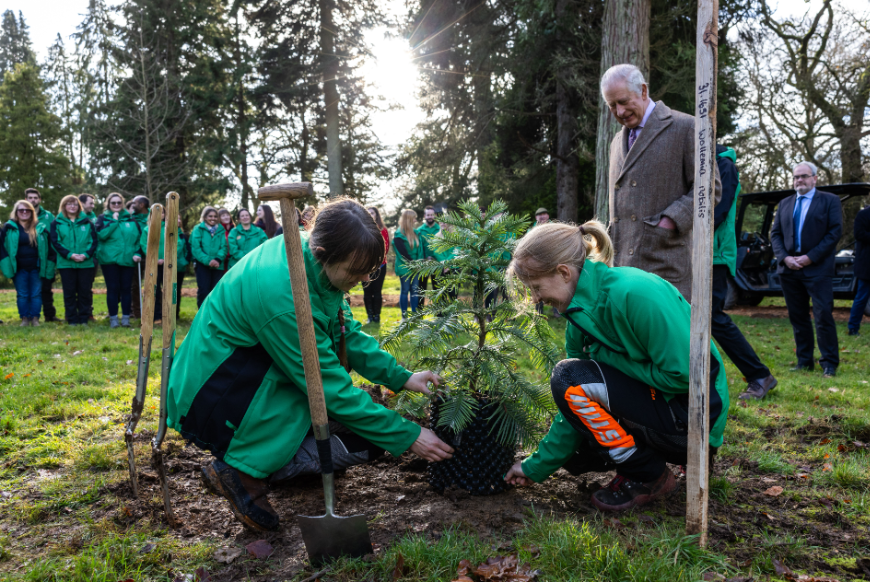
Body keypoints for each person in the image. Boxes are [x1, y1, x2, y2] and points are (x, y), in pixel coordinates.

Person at [167, 197, 454, 531]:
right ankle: (244, 469)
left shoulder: (312, 260)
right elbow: (327, 389)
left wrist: (402, 377)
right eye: (355, 272)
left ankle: (283, 460)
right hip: (219, 395)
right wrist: (409, 435)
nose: (362, 281)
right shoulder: (286, 295)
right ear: (324, 254)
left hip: (254, 378)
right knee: (373, 436)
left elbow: (346, 332)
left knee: (368, 431)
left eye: (370, 272)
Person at [503, 221, 729, 512]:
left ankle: (649, 476)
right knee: (574, 450)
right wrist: (536, 466)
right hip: (660, 408)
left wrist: (606, 360)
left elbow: (683, 376)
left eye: (536, 287)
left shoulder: (635, 294)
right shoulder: (578, 316)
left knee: (569, 376)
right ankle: (643, 462)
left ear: (563, 272)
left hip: (694, 420)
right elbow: (574, 398)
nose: (535, 299)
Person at [601, 64, 721, 302]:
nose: (620, 111)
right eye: (612, 105)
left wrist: (669, 222)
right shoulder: (616, 141)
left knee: (666, 338)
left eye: (624, 101)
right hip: (623, 269)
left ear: (644, 91)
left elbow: (709, 189)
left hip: (666, 265)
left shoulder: (687, 127)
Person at [712, 146, 778, 400]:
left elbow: (717, 210)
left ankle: (759, 375)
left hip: (714, 253)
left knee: (711, 317)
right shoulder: (696, 160)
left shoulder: (723, 165)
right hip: (693, 252)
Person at [770, 161, 843, 377]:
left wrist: (810, 258)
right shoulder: (784, 203)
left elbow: (834, 232)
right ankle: (804, 361)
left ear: (815, 178)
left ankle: (829, 363)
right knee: (798, 317)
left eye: (803, 176)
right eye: (795, 177)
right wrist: (784, 258)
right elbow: (775, 235)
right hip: (790, 270)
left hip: (818, 269)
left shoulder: (830, 201)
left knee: (823, 316)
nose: (799, 180)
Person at [1, 200, 55, 326]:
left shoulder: (40, 228)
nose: (24, 212)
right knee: (22, 295)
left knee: (36, 294)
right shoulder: (8, 228)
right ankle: (25, 318)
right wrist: (6, 266)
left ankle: (35, 318)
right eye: (21, 210)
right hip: (18, 268)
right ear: (16, 212)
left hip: (36, 267)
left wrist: (49, 266)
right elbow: (2, 248)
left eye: (27, 210)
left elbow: (50, 248)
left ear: (32, 212)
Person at [50, 195, 98, 326]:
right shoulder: (56, 223)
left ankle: (83, 319)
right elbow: (55, 242)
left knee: (84, 292)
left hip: (85, 263)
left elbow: (93, 241)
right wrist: (70, 255)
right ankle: (72, 319)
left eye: (75, 204)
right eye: (69, 204)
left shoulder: (87, 222)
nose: (72, 206)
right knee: (69, 292)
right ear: (64, 206)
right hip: (66, 263)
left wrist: (85, 255)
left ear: (79, 207)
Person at [96, 193, 141, 328]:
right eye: (113, 203)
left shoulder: (131, 220)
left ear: (122, 204)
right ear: (108, 204)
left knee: (126, 289)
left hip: (128, 260)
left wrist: (138, 252)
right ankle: (114, 319)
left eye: (118, 203)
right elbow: (101, 235)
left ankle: (126, 318)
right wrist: (114, 222)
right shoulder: (103, 219)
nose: (116, 205)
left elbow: (139, 239)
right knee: (113, 288)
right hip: (109, 260)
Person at [25, 188, 61, 323]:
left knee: (46, 288)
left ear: (39, 200)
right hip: (28, 258)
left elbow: (55, 236)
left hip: (47, 258)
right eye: (30, 197)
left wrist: (53, 257)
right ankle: (28, 316)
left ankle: (49, 315)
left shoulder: (48, 216)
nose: (33, 200)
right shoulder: (21, 214)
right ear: (26, 199)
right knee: (28, 289)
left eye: (35, 197)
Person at [191, 206, 229, 307]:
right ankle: (202, 316)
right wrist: (208, 261)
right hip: (203, 265)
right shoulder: (198, 229)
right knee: (204, 290)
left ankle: (213, 317)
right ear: (204, 217)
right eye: (210, 216)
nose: (213, 218)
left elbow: (224, 247)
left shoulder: (221, 230)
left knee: (216, 291)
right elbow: (196, 248)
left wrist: (217, 259)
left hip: (218, 265)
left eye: (215, 216)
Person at [394, 209, 424, 318]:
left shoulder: (416, 233)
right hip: (404, 266)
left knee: (415, 291)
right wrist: (412, 264)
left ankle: (415, 316)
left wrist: (419, 263)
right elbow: (402, 253)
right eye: (414, 218)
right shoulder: (398, 234)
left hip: (416, 266)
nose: (416, 220)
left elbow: (420, 250)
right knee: (405, 290)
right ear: (409, 219)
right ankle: (404, 317)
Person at [364, 207, 390, 324]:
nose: (370, 214)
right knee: (367, 291)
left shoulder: (383, 230)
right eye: (368, 213)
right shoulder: (361, 228)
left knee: (377, 291)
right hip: (365, 266)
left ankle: (377, 316)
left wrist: (378, 262)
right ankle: (370, 316)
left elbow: (386, 247)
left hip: (380, 265)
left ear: (376, 215)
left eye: (372, 212)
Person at [848, 203, 870, 336]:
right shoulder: (863, 214)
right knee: (862, 297)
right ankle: (853, 328)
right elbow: (859, 234)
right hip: (867, 264)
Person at [128, 196, 151, 319]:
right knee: (135, 286)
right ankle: (136, 312)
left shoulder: (153, 219)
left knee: (151, 285)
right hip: (135, 257)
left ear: (141, 205)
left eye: (134, 203)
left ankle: (152, 312)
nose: (132, 205)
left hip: (151, 257)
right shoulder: (131, 219)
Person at [416, 205, 441, 307]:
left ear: (434, 215)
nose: (430, 217)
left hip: (437, 263)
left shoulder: (439, 229)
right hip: (424, 264)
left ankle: (439, 313)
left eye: (431, 214)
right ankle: (420, 313)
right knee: (422, 289)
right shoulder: (419, 230)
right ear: (424, 216)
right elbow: (418, 247)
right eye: (428, 215)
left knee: (437, 289)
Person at [177, 216, 193, 320]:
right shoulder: (163, 233)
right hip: (163, 267)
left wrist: (183, 262)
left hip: (179, 268)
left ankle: (175, 314)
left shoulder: (182, 236)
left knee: (176, 290)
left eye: (179, 219)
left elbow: (188, 251)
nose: (178, 220)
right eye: (175, 218)